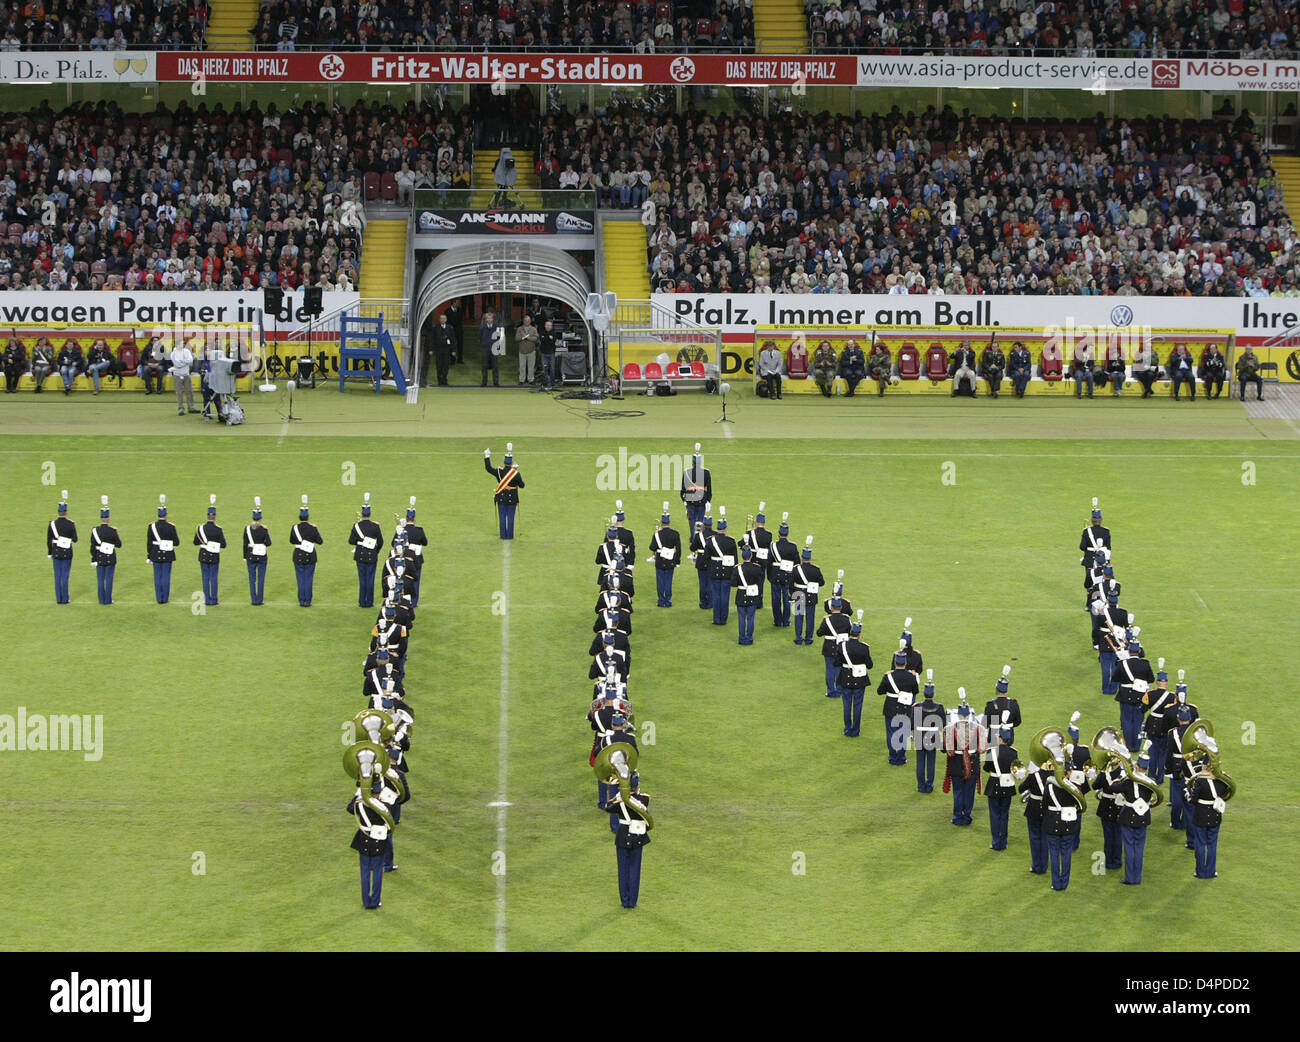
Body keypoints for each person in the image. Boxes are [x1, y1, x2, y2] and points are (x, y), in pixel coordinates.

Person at [600, 770, 651, 909]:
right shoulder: (644, 799)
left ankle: (625, 900)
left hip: (623, 836)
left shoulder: (620, 801)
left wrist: (618, 795)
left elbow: (607, 807)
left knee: (623, 870)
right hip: (638, 837)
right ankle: (632, 901)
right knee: (635, 869)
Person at [348, 778, 394, 910]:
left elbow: (349, 808)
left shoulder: (360, 803)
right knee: (378, 872)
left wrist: (358, 793)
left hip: (365, 840)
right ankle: (375, 901)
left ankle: (366, 902)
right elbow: (390, 824)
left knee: (365, 872)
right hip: (379, 842)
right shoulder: (384, 805)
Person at [1114, 751, 1158, 884]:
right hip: (1142, 816)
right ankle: (1137, 877)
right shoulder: (1151, 782)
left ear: (1137, 766)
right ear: (1147, 768)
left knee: (1129, 847)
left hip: (1128, 816)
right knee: (1139, 848)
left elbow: (1112, 788)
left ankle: (1130, 878)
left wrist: (1119, 779)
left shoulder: (1128, 781)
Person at [942, 695, 985, 826]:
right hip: (972, 763)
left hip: (956, 763)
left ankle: (957, 816)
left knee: (958, 791)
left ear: (958, 714)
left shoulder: (949, 729)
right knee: (969, 792)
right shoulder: (980, 728)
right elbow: (983, 748)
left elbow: (947, 750)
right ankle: (967, 815)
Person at [1041, 763, 1085, 890]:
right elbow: (1080, 805)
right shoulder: (1073, 787)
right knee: (1066, 854)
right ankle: (1064, 882)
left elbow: (1044, 805)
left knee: (1054, 854)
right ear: (1066, 773)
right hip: (1068, 823)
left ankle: (1056, 883)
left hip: (1052, 822)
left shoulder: (1049, 787)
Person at [1187, 755, 1231, 879]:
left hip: (1201, 815)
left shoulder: (1200, 781)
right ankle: (1211, 871)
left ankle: (1200, 871)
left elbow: (1193, 800)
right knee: (1212, 844)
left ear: (1207, 766)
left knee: (1200, 844)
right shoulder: (1222, 780)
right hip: (1215, 815)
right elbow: (1227, 792)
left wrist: (1187, 794)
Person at [876, 642, 916, 764]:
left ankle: (893, 757)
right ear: (905, 663)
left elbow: (880, 691)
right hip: (905, 708)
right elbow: (915, 691)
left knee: (891, 732)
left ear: (895, 663)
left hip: (891, 707)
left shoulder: (888, 676)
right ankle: (901, 757)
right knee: (904, 731)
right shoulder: (911, 676)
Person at [836, 610, 874, 737]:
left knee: (847, 705)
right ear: (859, 634)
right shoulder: (864, 647)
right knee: (858, 706)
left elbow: (836, 662)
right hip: (859, 680)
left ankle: (847, 728)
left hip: (846, 678)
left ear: (850, 632)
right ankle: (856, 730)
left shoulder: (842, 646)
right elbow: (870, 665)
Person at [984, 718, 1018, 851]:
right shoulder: (1013, 752)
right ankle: (1003, 841)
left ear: (1000, 737)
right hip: (1007, 786)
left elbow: (986, 768)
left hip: (994, 784)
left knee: (994, 814)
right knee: (1005, 814)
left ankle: (996, 842)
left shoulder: (991, 751)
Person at [913, 671, 945, 793]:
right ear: (934, 694)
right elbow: (943, 724)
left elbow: (911, 724)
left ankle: (921, 786)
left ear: (923, 693)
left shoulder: (917, 706)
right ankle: (929, 784)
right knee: (931, 762)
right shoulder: (939, 707)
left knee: (920, 762)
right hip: (933, 738)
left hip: (919, 737)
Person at [349, 493, 383, 607]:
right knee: (370, 579)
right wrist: (375, 550)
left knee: (362, 579)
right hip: (372, 556)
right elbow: (381, 542)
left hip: (360, 556)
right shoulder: (375, 526)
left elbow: (351, 541)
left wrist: (359, 543)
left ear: (362, 513)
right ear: (370, 514)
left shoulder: (356, 526)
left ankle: (362, 601)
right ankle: (370, 602)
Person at [484, 443, 524, 540]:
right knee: (510, 518)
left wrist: (487, 456)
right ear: (511, 463)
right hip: (512, 498)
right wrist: (515, 471)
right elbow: (522, 485)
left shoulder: (499, 472)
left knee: (502, 518)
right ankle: (510, 536)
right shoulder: (516, 474)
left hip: (501, 497)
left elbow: (488, 468)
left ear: (504, 462)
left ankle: (503, 536)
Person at [816, 596, 852, 698]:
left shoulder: (827, 619)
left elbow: (819, 633)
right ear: (840, 607)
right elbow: (850, 632)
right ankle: (839, 690)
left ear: (831, 607)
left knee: (830, 669)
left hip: (829, 647)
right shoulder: (846, 618)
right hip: (842, 647)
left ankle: (831, 691)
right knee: (840, 669)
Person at [146, 494, 179, 604]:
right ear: (166, 515)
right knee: (166, 577)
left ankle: (159, 598)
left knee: (157, 577)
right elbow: (177, 542)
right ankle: (165, 598)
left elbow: (149, 543)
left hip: (155, 553)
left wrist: (149, 556)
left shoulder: (151, 526)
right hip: (168, 554)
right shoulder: (171, 527)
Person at [291, 494, 323, 607]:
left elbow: (291, 541)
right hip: (310, 556)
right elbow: (320, 541)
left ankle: (301, 600)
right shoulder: (313, 528)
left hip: (298, 555)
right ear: (308, 516)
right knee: (309, 578)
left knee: (300, 578)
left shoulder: (294, 527)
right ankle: (308, 601)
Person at [707, 509, 738, 626]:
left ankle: (716, 619)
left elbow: (706, 557)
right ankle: (723, 619)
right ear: (725, 529)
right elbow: (735, 560)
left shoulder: (710, 541)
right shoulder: (731, 541)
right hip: (727, 572)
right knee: (725, 595)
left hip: (714, 571)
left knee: (716, 595)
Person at [46, 490, 77, 604]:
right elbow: (75, 539)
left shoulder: (52, 524)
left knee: (57, 576)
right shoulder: (71, 524)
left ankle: (59, 599)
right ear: (66, 512)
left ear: (58, 512)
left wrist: (50, 552)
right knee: (65, 576)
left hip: (56, 552)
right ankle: (65, 598)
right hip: (67, 552)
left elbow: (48, 539)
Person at [766, 513, 797, 627]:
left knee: (776, 599)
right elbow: (796, 563)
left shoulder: (773, 545)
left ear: (779, 534)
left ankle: (777, 621)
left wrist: (769, 576)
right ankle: (786, 620)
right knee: (787, 599)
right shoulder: (793, 546)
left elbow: (768, 563)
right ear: (787, 534)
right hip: (788, 576)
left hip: (775, 575)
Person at [194, 495, 226, 606]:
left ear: (207, 516)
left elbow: (195, 542)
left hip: (203, 555)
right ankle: (214, 599)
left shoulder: (200, 528)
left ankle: (207, 599)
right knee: (214, 577)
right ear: (215, 517)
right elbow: (223, 545)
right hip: (214, 556)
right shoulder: (218, 529)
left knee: (205, 577)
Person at [647, 502, 681, 608]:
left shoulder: (657, 534)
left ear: (662, 522)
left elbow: (652, 547)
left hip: (660, 560)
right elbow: (679, 549)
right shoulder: (675, 534)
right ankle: (668, 600)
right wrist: (677, 561)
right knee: (668, 581)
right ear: (669, 522)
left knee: (660, 581)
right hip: (670, 560)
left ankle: (661, 600)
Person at [791, 537, 823, 646]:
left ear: (802, 557)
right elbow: (822, 582)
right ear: (810, 558)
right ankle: (809, 638)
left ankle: (798, 638)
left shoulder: (796, 569)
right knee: (810, 618)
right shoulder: (816, 569)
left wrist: (791, 594)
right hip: (811, 595)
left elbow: (791, 583)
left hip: (798, 593)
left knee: (798, 616)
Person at [90, 496, 121, 605]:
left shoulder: (95, 531)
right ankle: (108, 600)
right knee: (109, 579)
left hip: (99, 557)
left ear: (101, 518)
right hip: (110, 557)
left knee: (100, 580)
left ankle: (101, 599)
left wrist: (93, 559)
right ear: (108, 518)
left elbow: (92, 546)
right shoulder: (112, 530)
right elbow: (119, 544)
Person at [398, 497, 428, 606]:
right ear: (414, 518)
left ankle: (404, 600)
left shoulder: (402, 530)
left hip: (404, 558)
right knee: (416, 580)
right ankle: (414, 602)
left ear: (406, 518)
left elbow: (394, 543)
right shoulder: (419, 531)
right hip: (416, 559)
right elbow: (425, 542)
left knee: (404, 579)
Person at [243, 496, 272, 606]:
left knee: (252, 578)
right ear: (260, 518)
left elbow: (245, 543)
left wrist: (244, 556)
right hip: (262, 556)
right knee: (261, 578)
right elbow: (269, 543)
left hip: (250, 555)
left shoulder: (247, 529)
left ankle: (253, 599)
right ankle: (259, 600)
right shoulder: (264, 529)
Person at [732, 545, 764, 645]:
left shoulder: (738, 569)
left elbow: (733, 583)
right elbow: (760, 583)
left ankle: (742, 638)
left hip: (741, 595)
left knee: (741, 618)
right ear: (751, 556)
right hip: (753, 595)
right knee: (750, 617)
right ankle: (749, 638)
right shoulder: (757, 568)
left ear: (742, 556)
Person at [981, 666, 1021, 745]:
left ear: (996, 689)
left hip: (993, 738)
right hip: (1008, 737)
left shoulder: (990, 705)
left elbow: (984, 724)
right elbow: (1018, 721)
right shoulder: (1013, 704)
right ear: (1006, 690)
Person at [680, 443, 711, 531]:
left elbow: (683, 490)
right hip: (702, 500)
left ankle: (693, 538)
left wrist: (685, 501)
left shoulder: (687, 472)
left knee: (692, 519)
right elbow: (709, 489)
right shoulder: (706, 472)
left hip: (690, 500)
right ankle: (699, 537)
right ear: (700, 462)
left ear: (692, 462)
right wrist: (708, 500)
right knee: (700, 520)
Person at [1079, 499, 1111, 571]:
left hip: (1089, 560)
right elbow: (1108, 548)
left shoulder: (1086, 531)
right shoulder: (1106, 531)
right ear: (1101, 519)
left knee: (1089, 580)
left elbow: (1082, 547)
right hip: (1103, 560)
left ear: (1092, 520)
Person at [170, 336, 198, 415]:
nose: (183, 344)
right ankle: (181, 408)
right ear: (177, 345)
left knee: (189, 391)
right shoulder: (173, 353)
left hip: (186, 374)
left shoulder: (186, 351)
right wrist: (185, 362)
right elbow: (177, 364)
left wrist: (183, 361)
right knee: (179, 392)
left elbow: (190, 360)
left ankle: (191, 407)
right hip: (177, 375)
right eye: (182, 343)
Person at [429, 311, 455, 386]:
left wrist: (453, 350)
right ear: (439, 320)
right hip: (438, 349)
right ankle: (439, 380)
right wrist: (431, 349)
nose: (443, 320)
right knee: (439, 365)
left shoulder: (450, 328)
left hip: (447, 349)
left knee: (446, 365)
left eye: (444, 318)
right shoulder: (436, 328)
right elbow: (432, 339)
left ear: (446, 319)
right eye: (441, 318)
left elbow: (453, 339)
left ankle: (444, 379)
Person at [479, 309, 503, 387]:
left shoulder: (496, 327)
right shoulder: (483, 328)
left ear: (492, 319)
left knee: (495, 366)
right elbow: (480, 337)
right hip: (485, 348)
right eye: (487, 318)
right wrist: (483, 344)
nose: (489, 319)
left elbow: (499, 337)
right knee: (484, 366)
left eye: (490, 318)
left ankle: (496, 382)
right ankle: (484, 382)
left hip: (494, 349)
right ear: (486, 320)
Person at [515, 314, 539, 386]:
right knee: (522, 366)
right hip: (522, 351)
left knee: (531, 366)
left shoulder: (534, 329)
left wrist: (527, 338)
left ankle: (531, 379)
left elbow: (536, 338)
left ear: (530, 321)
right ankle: (521, 380)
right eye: (525, 320)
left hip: (531, 351)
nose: (527, 322)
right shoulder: (519, 329)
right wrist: (523, 338)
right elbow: (516, 338)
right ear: (523, 321)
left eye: (528, 320)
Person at [537, 319, 558, 389]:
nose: (548, 326)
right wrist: (549, 339)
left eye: (550, 325)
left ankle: (552, 383)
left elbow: (553, 341)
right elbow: (542, 340)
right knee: (544, 368)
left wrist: (547, 339)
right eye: (547, 325)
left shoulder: (554, 333)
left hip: (551, 353)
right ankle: (545, 383)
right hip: (544, 353)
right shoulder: (541, 332)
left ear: (552, 326)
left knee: (552, 368)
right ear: (545, 326)